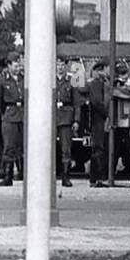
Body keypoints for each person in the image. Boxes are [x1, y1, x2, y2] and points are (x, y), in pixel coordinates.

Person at [0, 51, 26, 187]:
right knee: (9, 146)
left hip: (22, 114)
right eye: (15, 64)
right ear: (9, 65)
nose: (18, 67)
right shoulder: (2, 79)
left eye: (19, 64)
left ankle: (23, 173)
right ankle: (8, 176)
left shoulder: (24, 78)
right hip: (10, 115)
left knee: (23, 146)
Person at [86, 59, 111, 187]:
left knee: (101, 148)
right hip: (98, 120)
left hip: (101, 120)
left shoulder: (104, 82)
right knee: (99, 148)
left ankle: (97, 178)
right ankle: (97, 178)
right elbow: (97, 102)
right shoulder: (96, 83)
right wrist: (107, 113)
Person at [54, 57, 77, 187]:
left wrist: (76, 120)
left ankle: (66, 176)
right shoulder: (49, 80)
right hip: (52, 116)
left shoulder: (71, 80)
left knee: (66, 148)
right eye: (58, 65)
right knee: (49, 147)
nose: (60, 67)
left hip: (66, 117)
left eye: (62, 65)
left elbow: (76, 102)